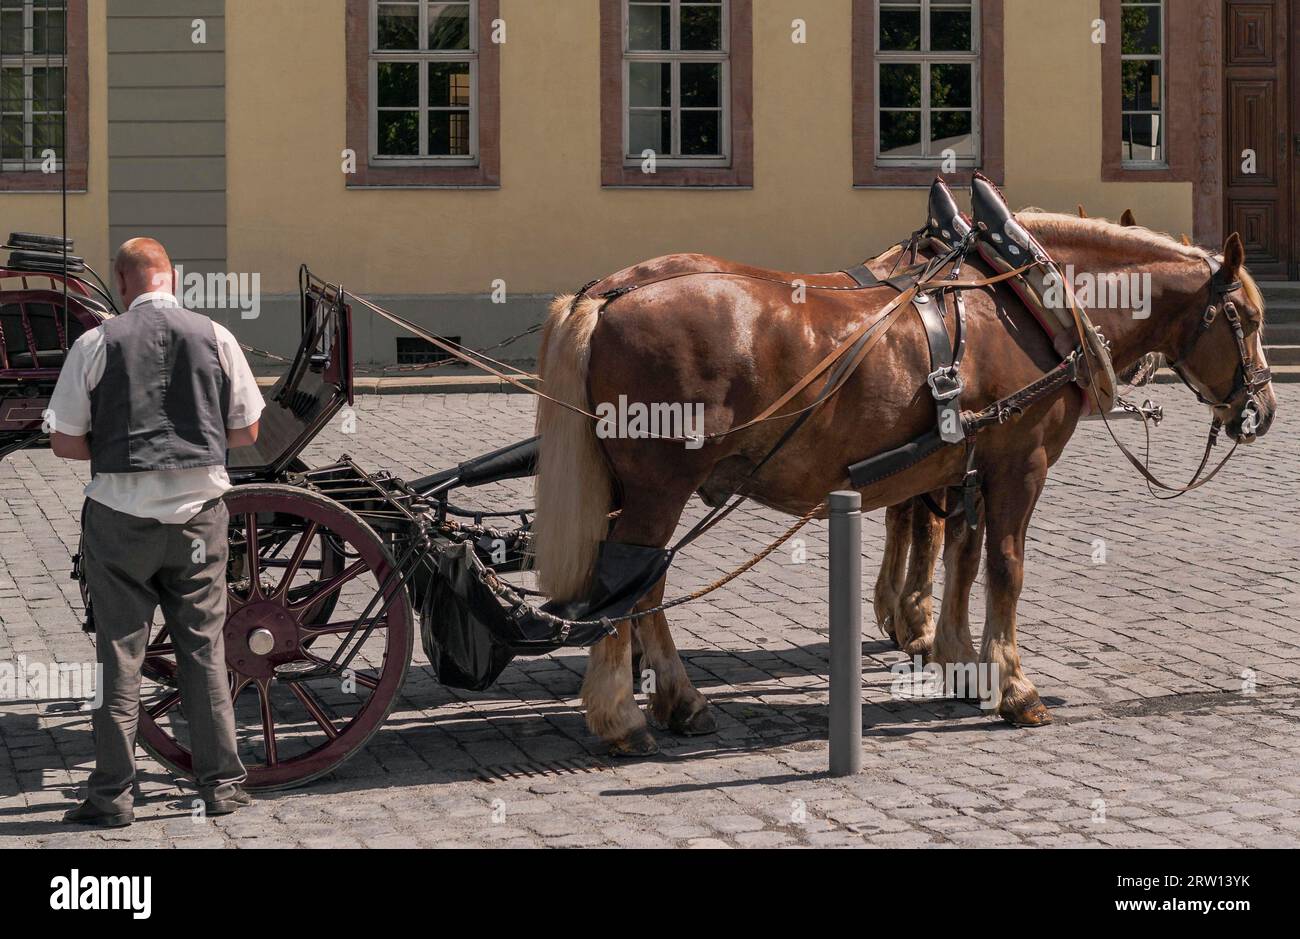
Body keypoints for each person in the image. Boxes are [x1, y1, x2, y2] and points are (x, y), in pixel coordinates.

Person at [48, 238, 265, 828]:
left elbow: (64, 441)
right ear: (174, 278)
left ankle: (112, 797)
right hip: (197, 517)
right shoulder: (216, 336)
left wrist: (120, 449)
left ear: (123, 282)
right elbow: (246, 432)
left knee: (118, 655)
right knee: (203, 649)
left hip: (120, 519)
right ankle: (221, 784)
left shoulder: (95, 342)